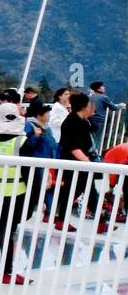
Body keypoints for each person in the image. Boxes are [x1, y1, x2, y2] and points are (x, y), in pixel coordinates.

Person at [0, 103, 33, 285]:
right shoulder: (22, 142)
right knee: (9, 232)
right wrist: (33, 198)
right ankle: (8, 272)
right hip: (15, 193)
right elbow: (29, 173)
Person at [52, 92, 97, 230]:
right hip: (74, 163)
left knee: (87, 190)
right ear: (84, 106)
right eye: (90, 104)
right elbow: (73, 147)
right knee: (73, 191)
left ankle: (100, 221)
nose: (93, 107)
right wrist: (88, 163)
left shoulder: (83, 121)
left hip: (81, 162)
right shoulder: (72, 122)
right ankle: (61, 220)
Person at [89, 81, 119, 152]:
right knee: (98, 139)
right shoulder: (104, 97)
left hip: (90, 120)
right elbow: (114, 108)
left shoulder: (90, 97)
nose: (104, 87)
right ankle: (95, 154)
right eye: (102, 86)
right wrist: (120, 105)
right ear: (98, 89)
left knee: (92, 138)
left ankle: (90, 153)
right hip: (99, 120)